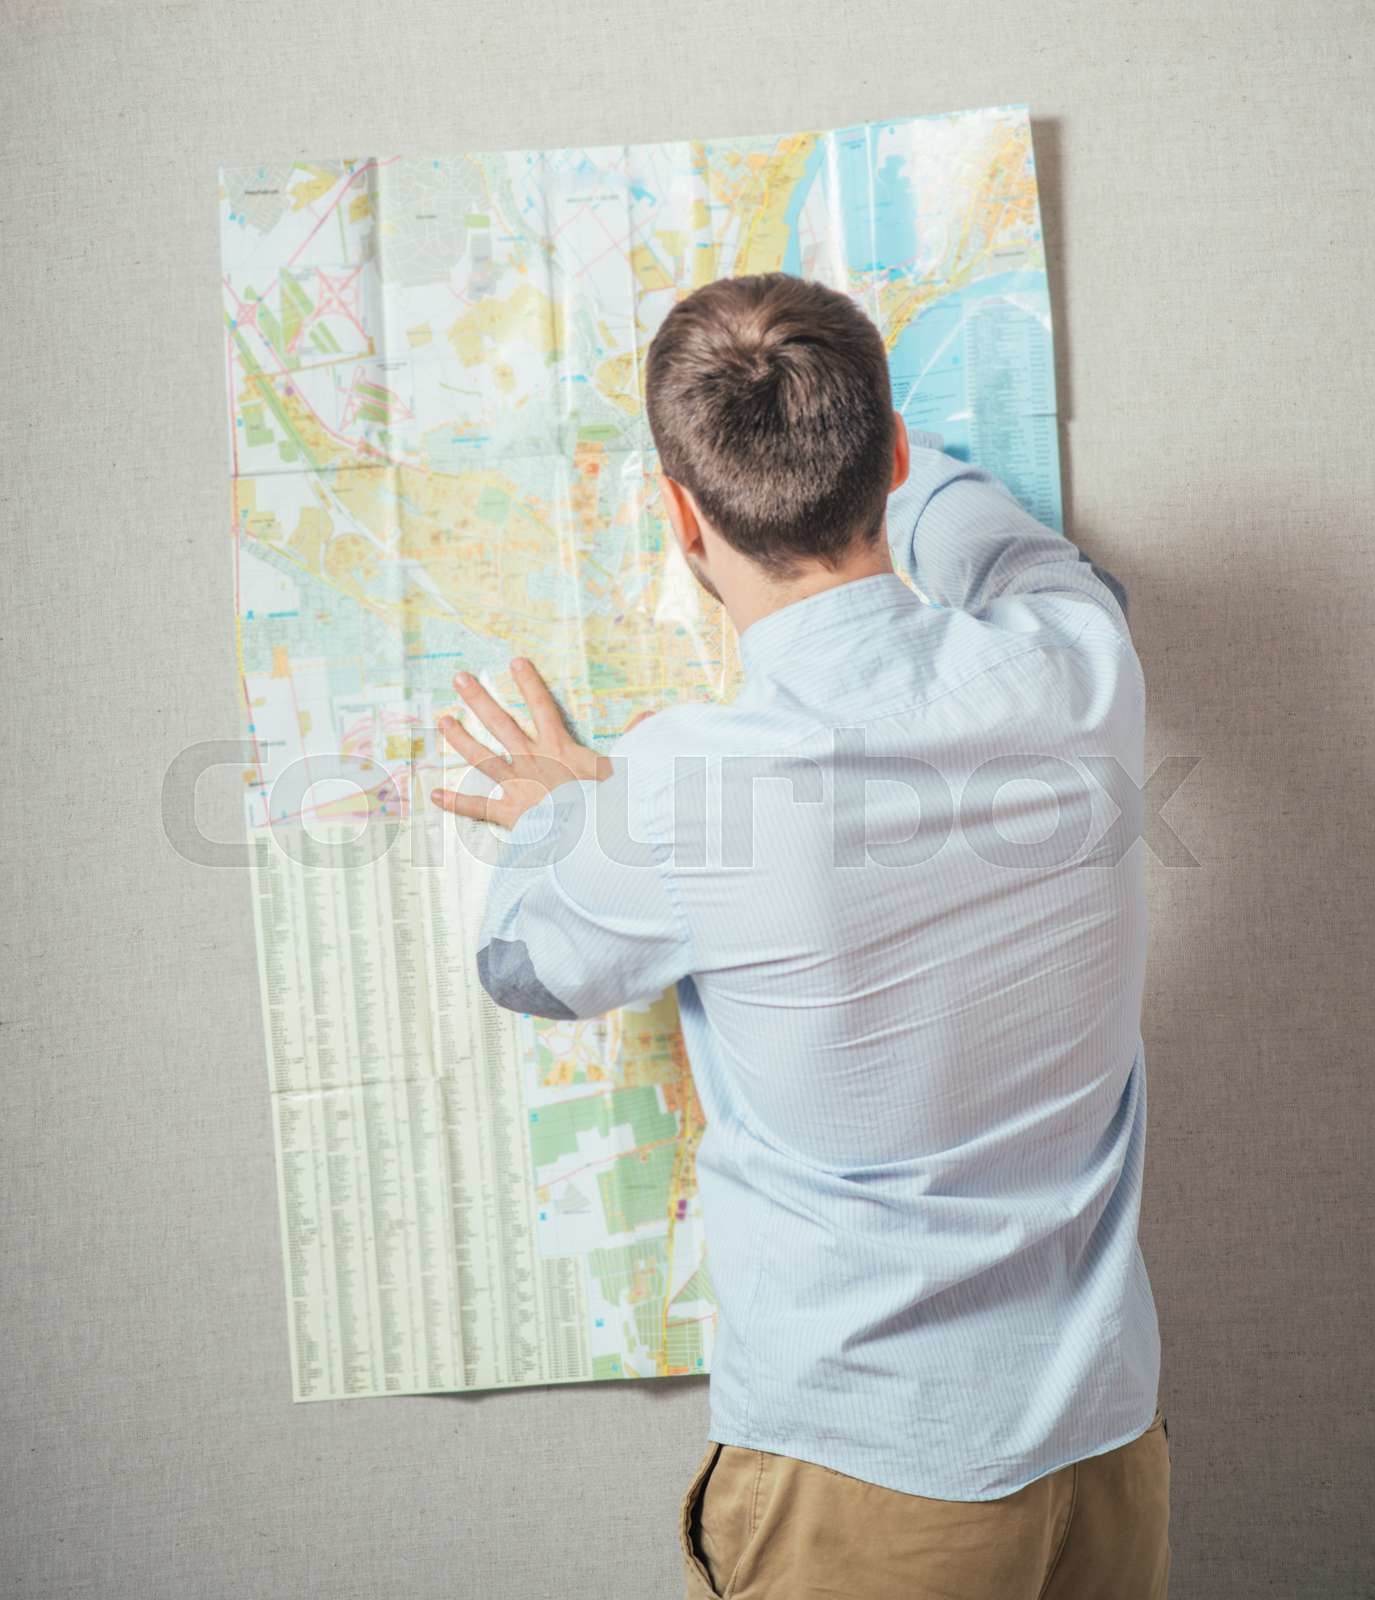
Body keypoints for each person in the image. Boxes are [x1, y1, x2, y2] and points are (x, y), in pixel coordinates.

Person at [429, 271, 1170, 1600]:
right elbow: (1010, 549)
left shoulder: (680, 797)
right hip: (1107, 1449)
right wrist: (867, 443)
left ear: (675, 515)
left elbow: (525, 967)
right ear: (888, 452)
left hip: (868, 1483)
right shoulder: (1077, 663)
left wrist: (562, 817)